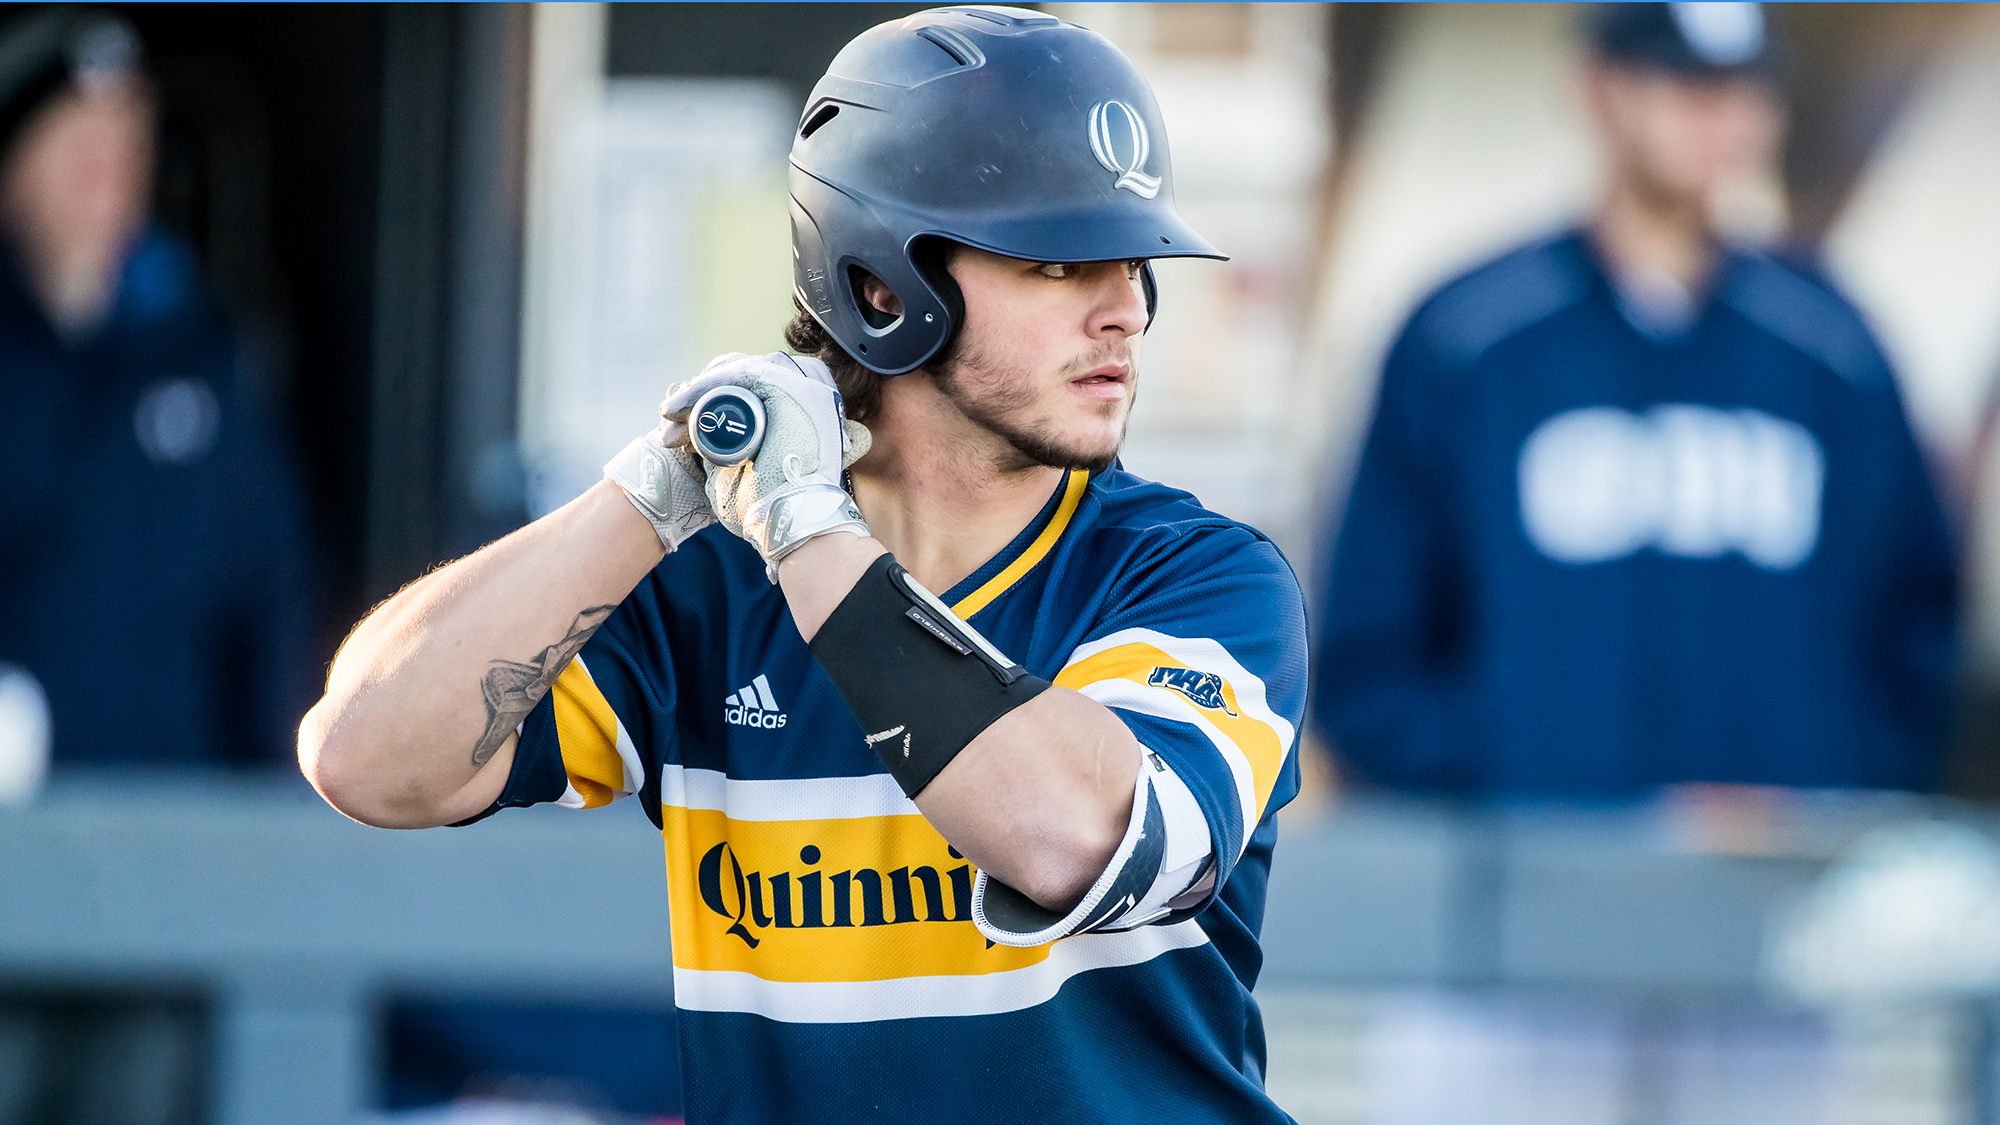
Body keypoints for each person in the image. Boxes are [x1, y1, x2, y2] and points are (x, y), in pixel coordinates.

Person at [301, 7, 1307, 1123]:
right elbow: (368, 763)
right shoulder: (712, 584)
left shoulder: (1198, 574)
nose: (1126, 311)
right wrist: (650, 489)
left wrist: (801, 525)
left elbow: (1068, 838)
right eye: (1061, 262)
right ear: (883, 286)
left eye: (1133, 264)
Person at [1313, 1, 1956, 797]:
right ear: (1596, 85)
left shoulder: (1832, 349)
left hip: (1779, 874)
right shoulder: (1469, 340)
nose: (1720, 117)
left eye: (1745, 87)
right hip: (1532, 882)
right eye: (1683, 83)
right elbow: (1371, 646)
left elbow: (1919, 622)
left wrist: (1833, 775)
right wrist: (1514, 771)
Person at [0, 6, 315, 773]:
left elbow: (270, 592)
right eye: (78, 141)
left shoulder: (204, 350)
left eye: (125, 138)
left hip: (169, 829)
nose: (107, 168)